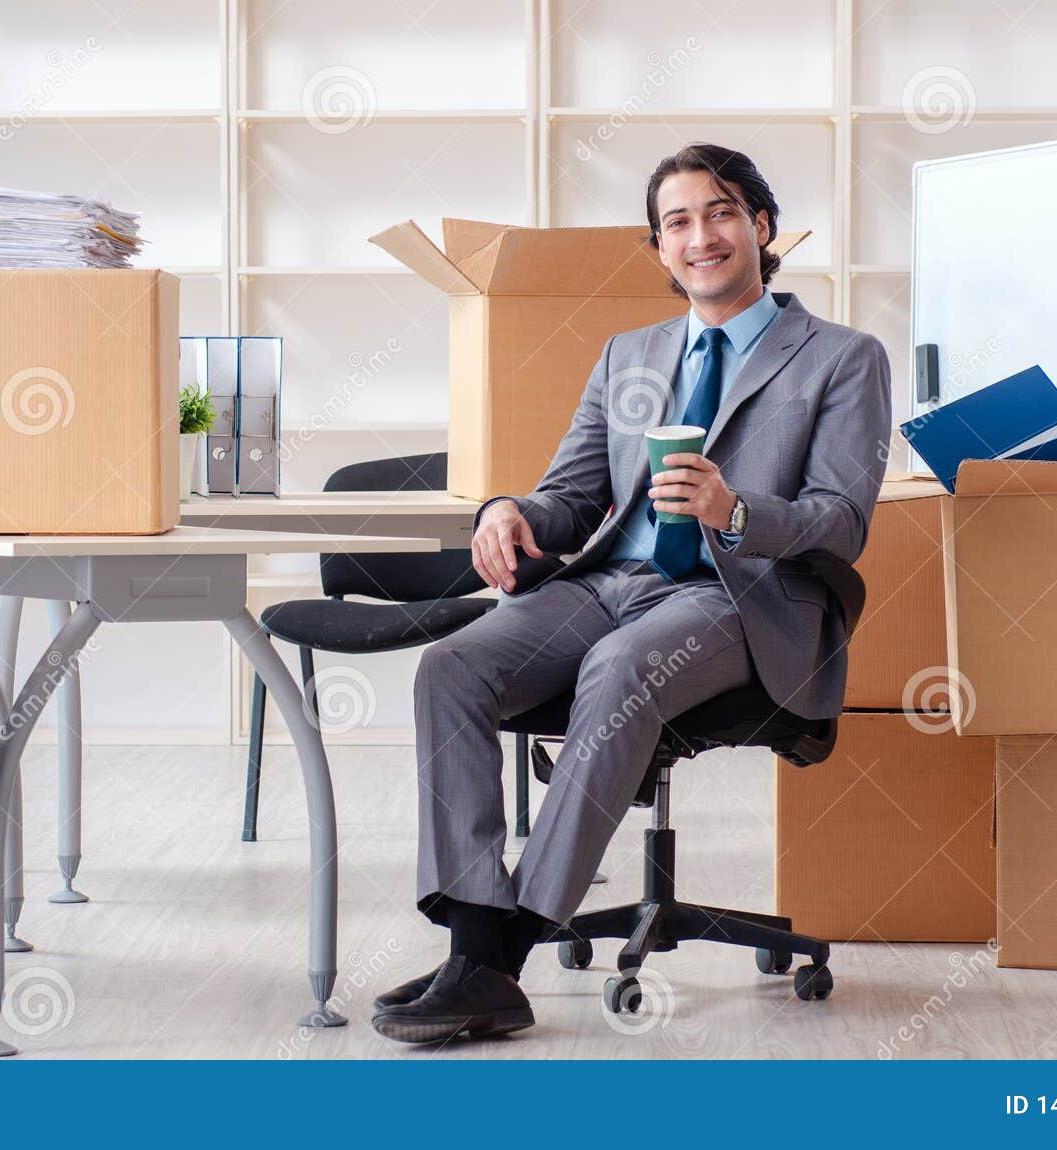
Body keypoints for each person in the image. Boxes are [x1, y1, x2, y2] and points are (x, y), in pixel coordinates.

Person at [370, 142, 892, 1044]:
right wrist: (506, 510)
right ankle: (474, 941)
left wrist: (735, 511)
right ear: (659, 248)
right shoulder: (629, 356)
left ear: (762, 227)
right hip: (610, 581)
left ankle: (500, 959)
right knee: (451, 667)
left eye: (721, 213)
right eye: (677, 223)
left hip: (739, 598)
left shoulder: (842, 358)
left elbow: (841, 521)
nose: (701, 237)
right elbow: (571, 498)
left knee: (620, 666)